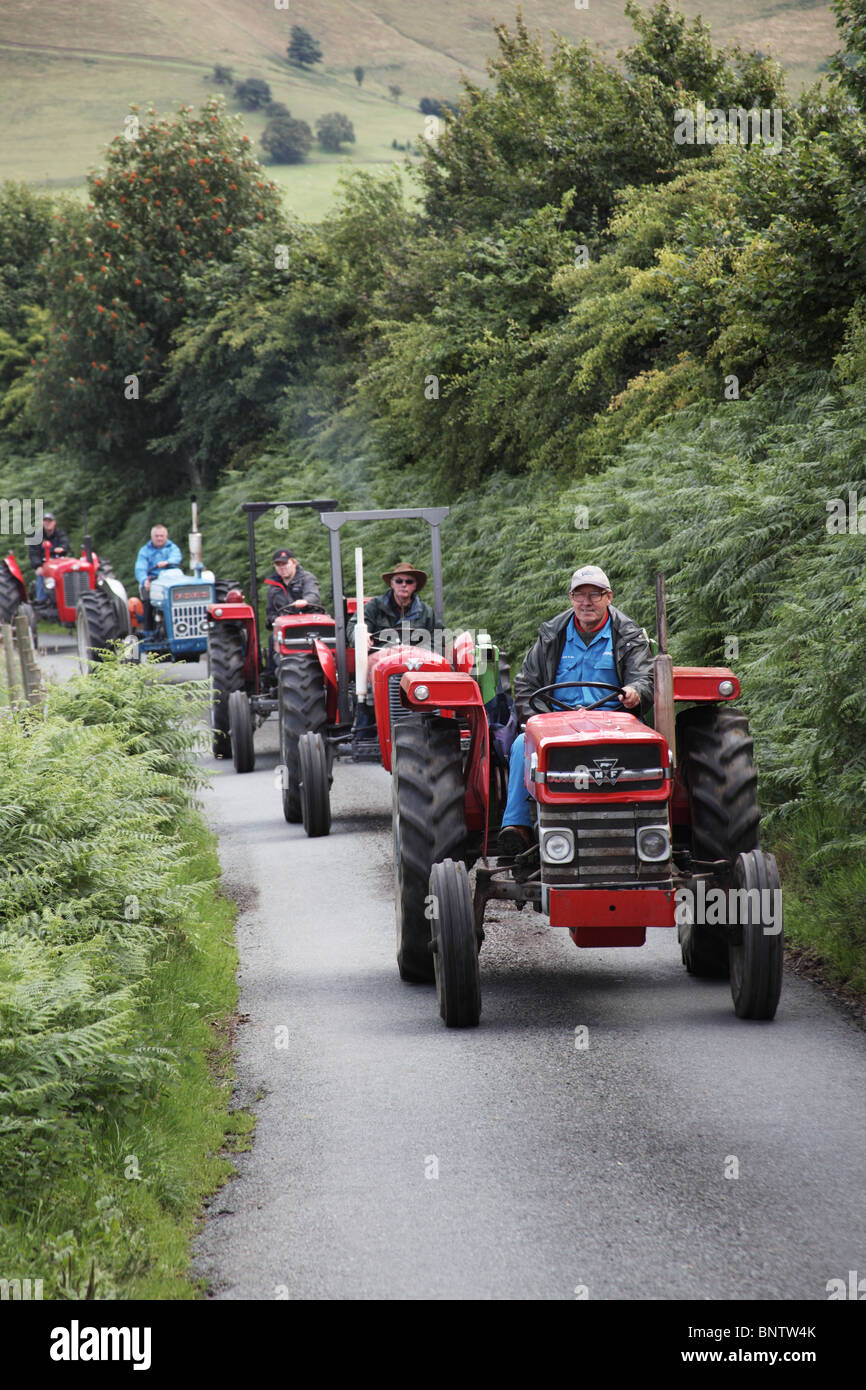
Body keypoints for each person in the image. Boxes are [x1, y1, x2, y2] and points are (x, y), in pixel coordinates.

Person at [498, 564, 655, 856]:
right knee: (522, 743)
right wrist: (539, 721)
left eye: (594, 595)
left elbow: (644, 679)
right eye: (579, 595)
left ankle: (651, 827)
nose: (586, 602)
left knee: (654, 750)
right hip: (557, 724)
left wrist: (636, 693)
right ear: (571, 598)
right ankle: (517, 827)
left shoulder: (630, 636)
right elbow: (524, 685)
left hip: (615, 723)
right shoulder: (551, 636)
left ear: (609, 597)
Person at [346, 562, 436, 648]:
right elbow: (353, 626)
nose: (404, 585)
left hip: (415, 661)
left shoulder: (427, 612)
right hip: (380, 661)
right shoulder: (374, 606)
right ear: (391, 584)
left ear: (415, 586)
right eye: (399, 581)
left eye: (409, 581)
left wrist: (424, 651)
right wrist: (361, 636)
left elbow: (439, 639)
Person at [264, 548, 321, 627]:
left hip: (309, 623)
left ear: (294, 563)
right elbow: (270, 613)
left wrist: (305, 601)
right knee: (272, 638)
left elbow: (313, 596)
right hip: (286, 626)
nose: (282, 567)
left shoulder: (307, 578)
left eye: (285, 563)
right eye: (278, 564)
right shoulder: (273, 587)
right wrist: (276, 620)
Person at [28, 511, 70, 602]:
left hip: (58, 564)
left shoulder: (60, 534)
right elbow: (33, 553)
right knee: (41, 575)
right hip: (44, 565)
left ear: (54, 522)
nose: (47, 523)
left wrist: (62, 548)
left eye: (50, 521)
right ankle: (41, 601)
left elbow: (65, 543)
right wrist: (38, 565)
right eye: (45, 521)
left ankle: (67, 599)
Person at [134, 524, 183, 595]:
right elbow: (140, 568)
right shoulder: (144, 551)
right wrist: (144, 580)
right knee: (146, 593)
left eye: (161, 536)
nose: (159, 538)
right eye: (156, 536)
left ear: (166, 536)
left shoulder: (173, 548)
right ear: (152, 537)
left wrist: (167, 562)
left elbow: (176, 558)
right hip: (153, 581)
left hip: (172, 579)